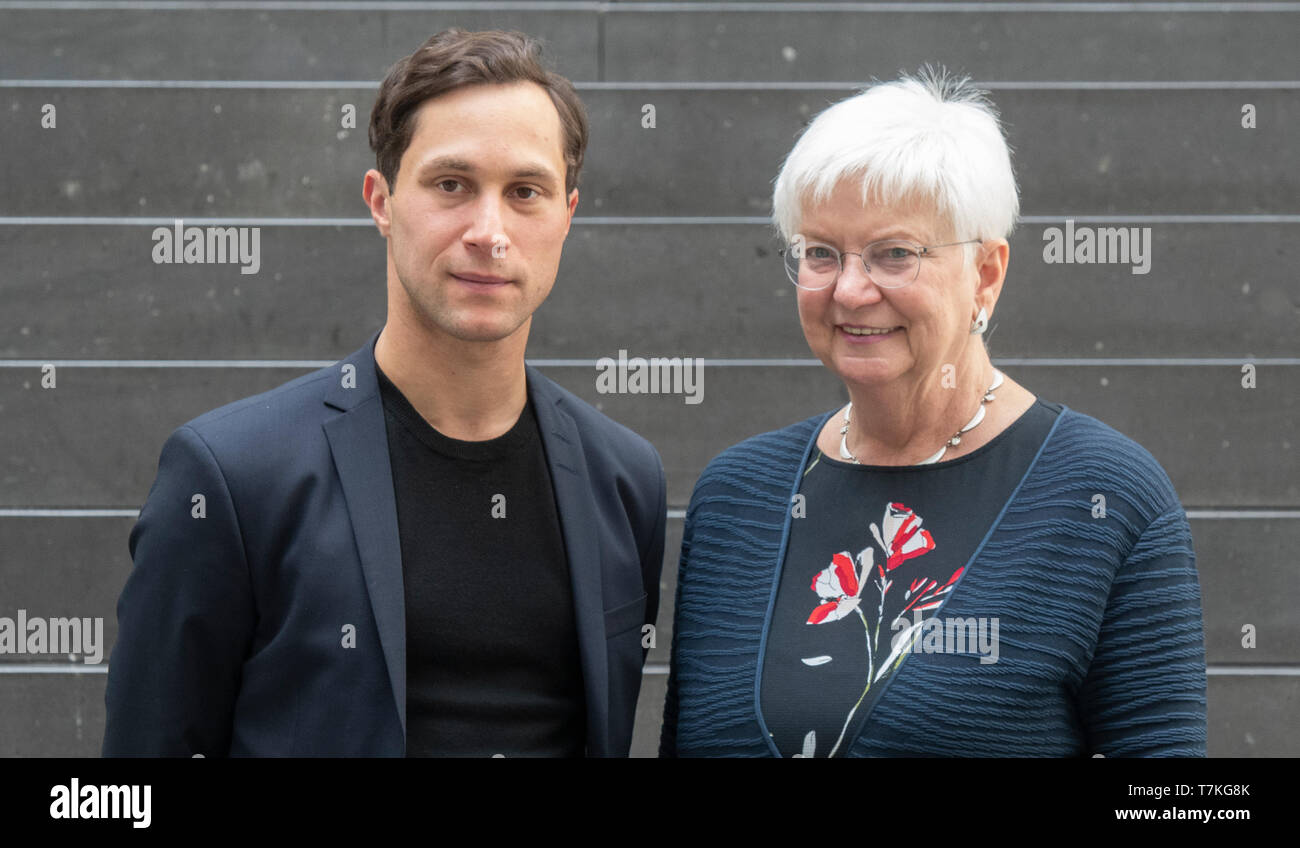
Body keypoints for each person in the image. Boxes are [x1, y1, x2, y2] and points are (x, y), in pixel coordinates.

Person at [104, 29, 666, 757]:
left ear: (567, 214)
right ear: (382, 201)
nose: (489, 232)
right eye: (451, 185)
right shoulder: (230, 475)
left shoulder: (624, 477)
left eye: (525, 192)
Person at [660, 69, 1207, 757]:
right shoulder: (737, 497)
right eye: (822, 254)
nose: (852, 290)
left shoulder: (1104, 498)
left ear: (986, 274)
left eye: (895, 254)